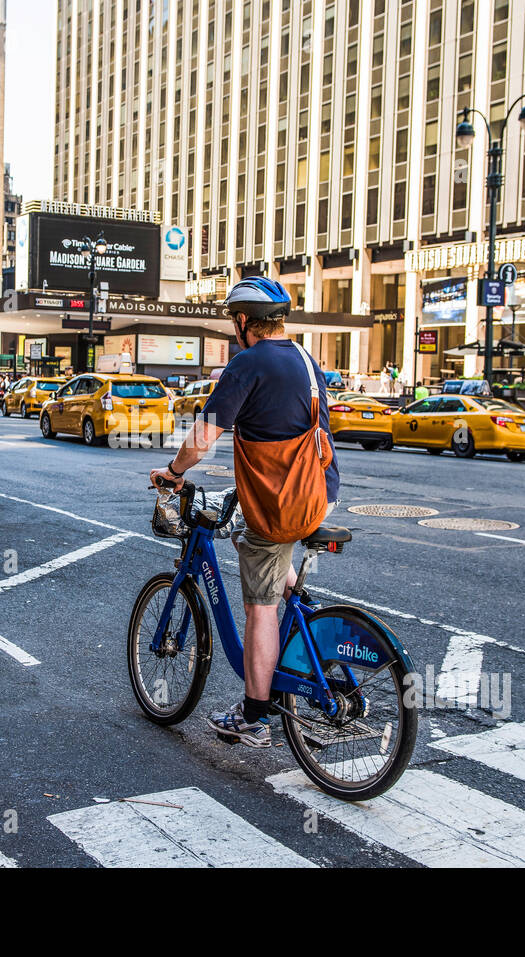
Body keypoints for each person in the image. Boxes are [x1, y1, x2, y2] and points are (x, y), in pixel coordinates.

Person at [150, 277, 338, 749]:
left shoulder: (247, 364)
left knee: (260, 603)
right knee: (246, 535)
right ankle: (298, 613)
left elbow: (203, 436)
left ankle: (254, 714)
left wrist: (174, 472)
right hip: (318, 490)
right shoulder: (305, 359)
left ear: (241, 322)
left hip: (282, 502)